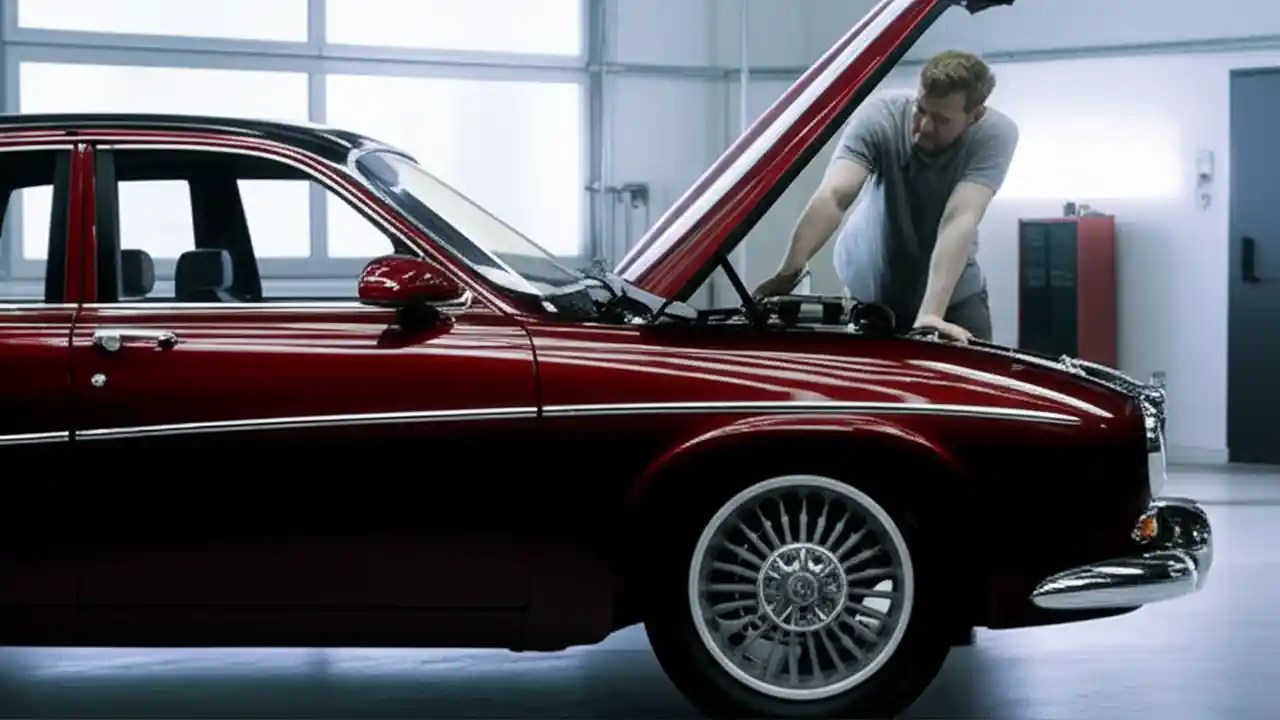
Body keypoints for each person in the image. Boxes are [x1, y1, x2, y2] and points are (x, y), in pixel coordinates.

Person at [752, 50, 1019, 343]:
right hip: (871, 295)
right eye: (921, 110)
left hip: (952, 299)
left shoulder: (995, 134)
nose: (924, 128)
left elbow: (960, 217)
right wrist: (790, 269)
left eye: (942, 120)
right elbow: (835, 194)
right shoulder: (881, 115)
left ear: (975, 115)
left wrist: (930, 316)